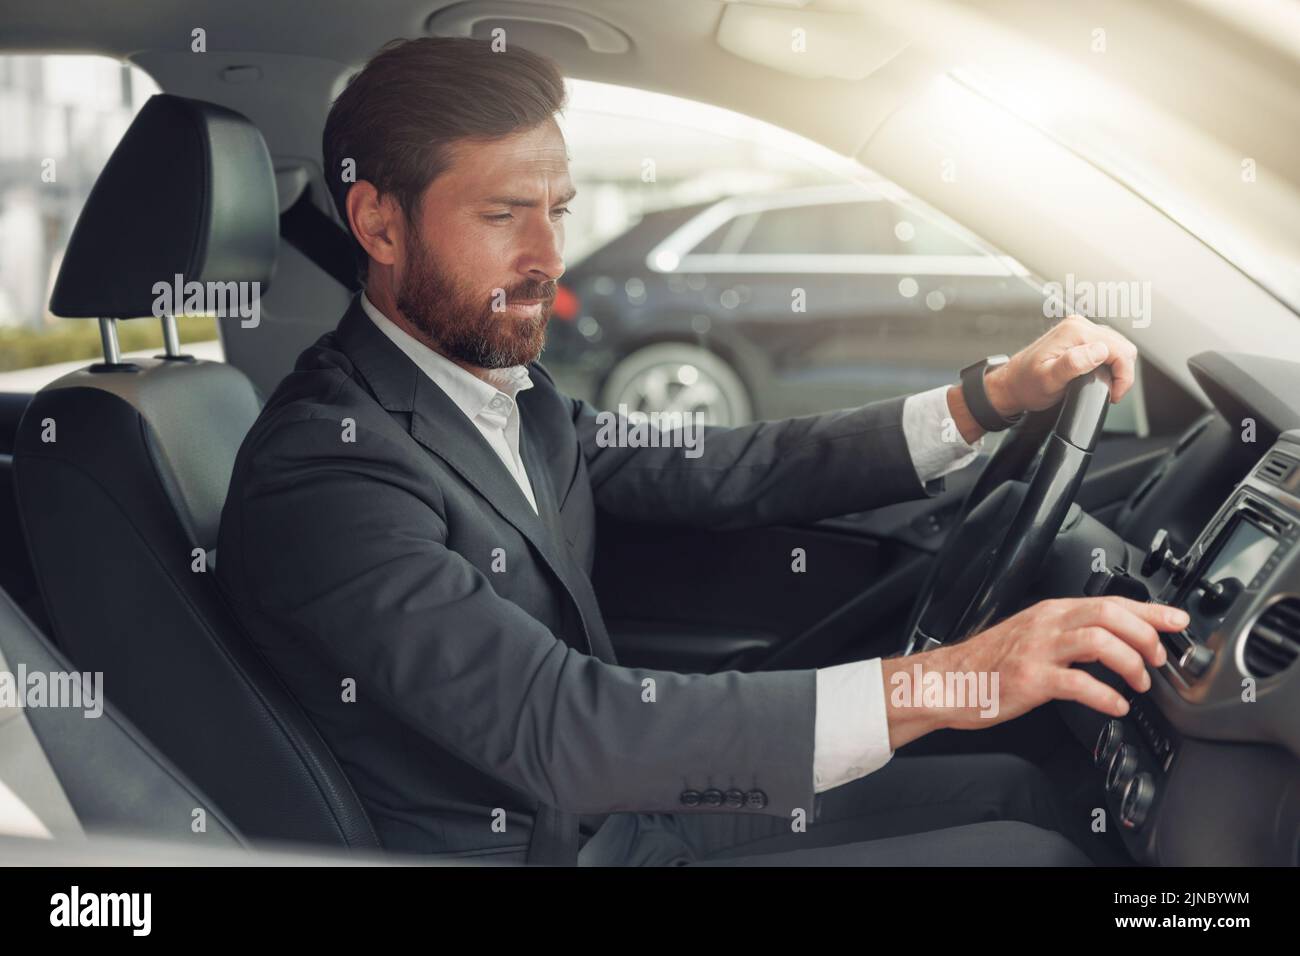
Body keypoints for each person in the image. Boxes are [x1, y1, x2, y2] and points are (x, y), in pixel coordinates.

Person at [216, 36, 1183, 866]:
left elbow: (726, 465)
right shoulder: (327, 468)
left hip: (619, 818)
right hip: (548, 847)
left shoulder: (502, 395)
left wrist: (985, 400)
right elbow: (566, 728)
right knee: (1033, 858)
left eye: (558, 209)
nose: (548, 254)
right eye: (504, 215)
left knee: (1015, 793)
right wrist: (956, 678)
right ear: (379, 223)